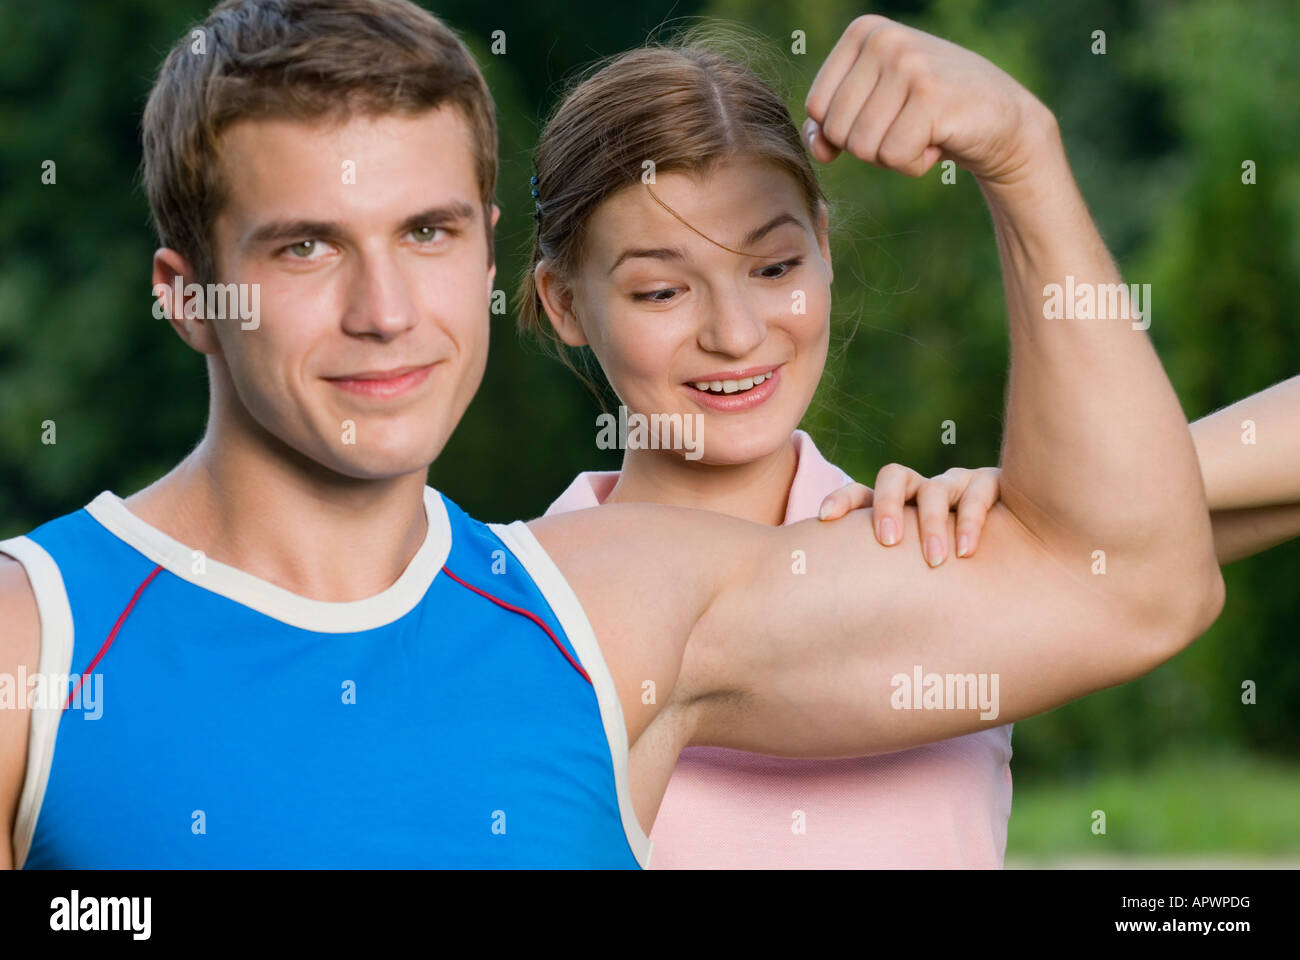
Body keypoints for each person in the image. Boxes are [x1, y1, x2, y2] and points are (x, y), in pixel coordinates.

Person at [0, 0, 1224, 869]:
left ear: (484, 249)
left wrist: (1021, 156)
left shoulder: (609, 603)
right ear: (183, 292)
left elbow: (1127, 581)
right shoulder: (36, 643)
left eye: (426, 233)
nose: (384, 313)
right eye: (305, 245)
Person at [524, 34, 1300, 868]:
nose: (736, 333)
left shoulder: (930, 542)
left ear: (823, 247)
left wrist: (1037, 505)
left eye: (775, 265)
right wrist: (1050, 529)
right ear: (564, 304)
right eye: (663, 290)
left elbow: (1136, 550)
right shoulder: (520, 612)